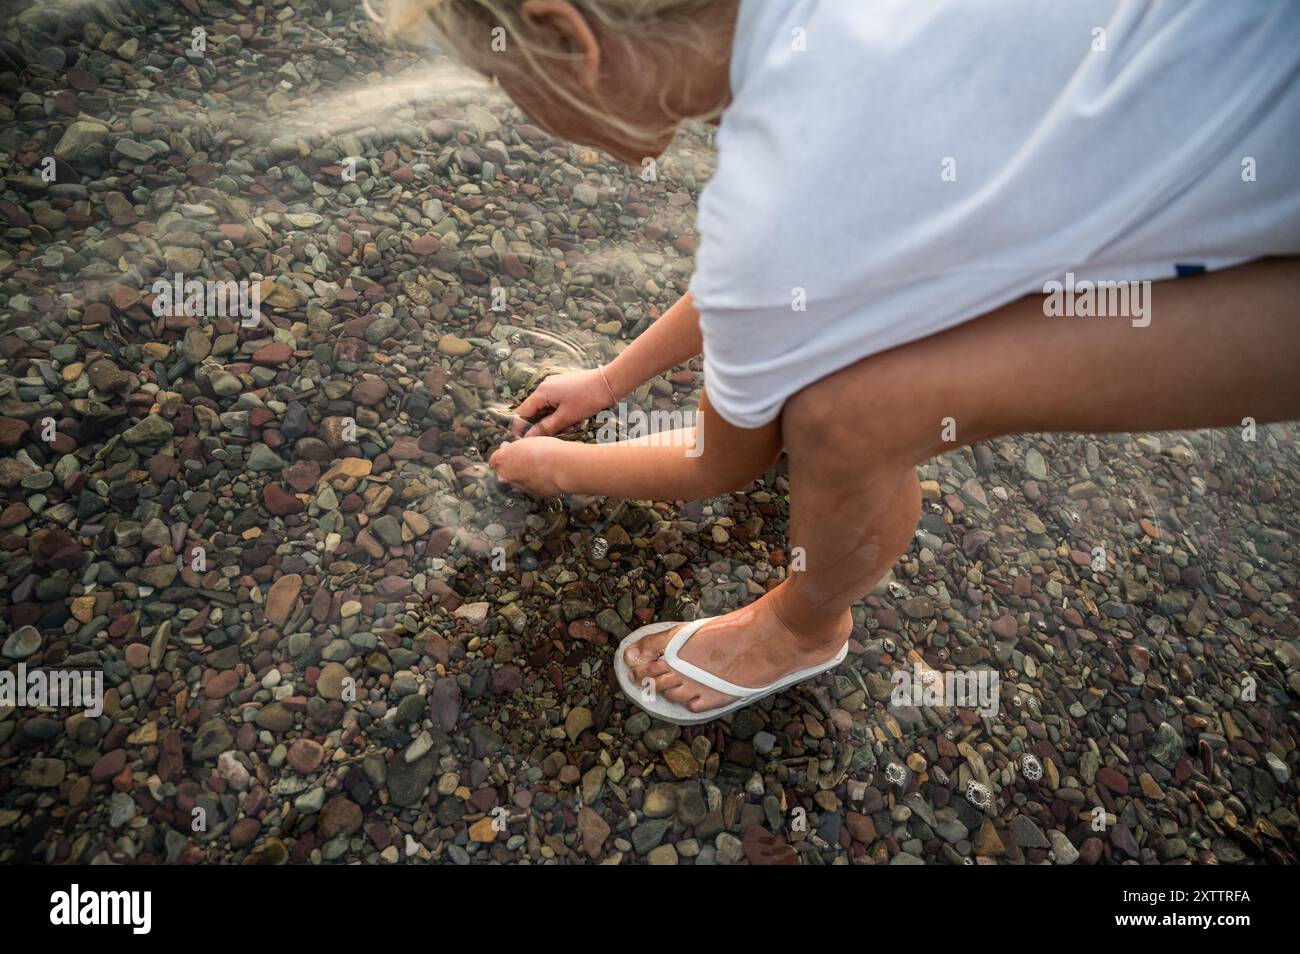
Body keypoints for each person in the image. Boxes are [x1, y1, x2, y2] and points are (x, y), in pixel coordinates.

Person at [382, 0, 1300, 723]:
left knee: (849, 410)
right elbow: (797, 262)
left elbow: (723, 463)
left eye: (510, 81)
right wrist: (609, 383)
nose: (526, 113)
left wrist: (552, 466)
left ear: (563, 34)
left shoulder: (777, 205)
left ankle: (803, 627)